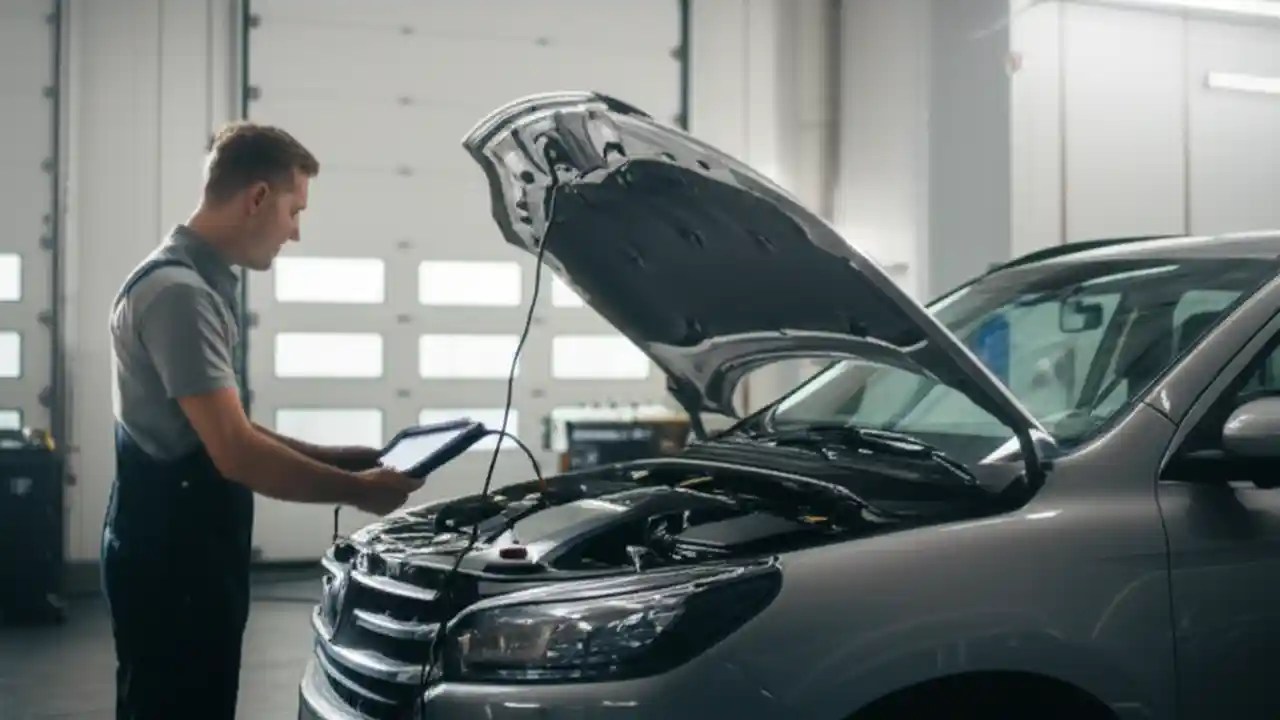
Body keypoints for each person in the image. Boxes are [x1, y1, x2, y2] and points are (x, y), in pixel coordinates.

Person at [101, 121, 422, 719]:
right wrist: (358, 491)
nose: (295, 231)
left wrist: (335, 459)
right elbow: (235, 452)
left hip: (179, 550)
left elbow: (222, 427)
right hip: (175, 561)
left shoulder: (188, 282)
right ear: (257, 198)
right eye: (294, 211)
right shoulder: (180, 295)